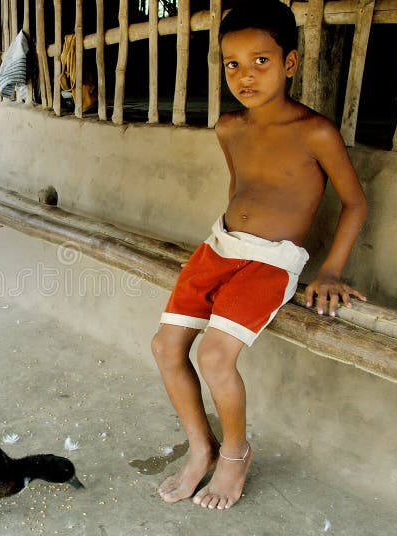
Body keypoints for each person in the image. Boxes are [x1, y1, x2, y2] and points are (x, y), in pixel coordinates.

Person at [150, 0, 368, 511]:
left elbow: (356, 203)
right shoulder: (229, 127)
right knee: (165, 347)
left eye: (261, 61)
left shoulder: (316, 133)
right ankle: (200, 446)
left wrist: (331, 269)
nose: (245, 75)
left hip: (271, 261)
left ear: (290, 63)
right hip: (218, 247)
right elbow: (240, 186)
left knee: (213, 356)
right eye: (233, 64)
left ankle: (234, 453)